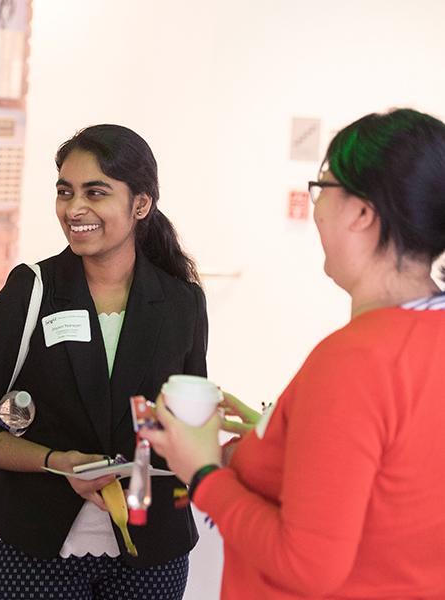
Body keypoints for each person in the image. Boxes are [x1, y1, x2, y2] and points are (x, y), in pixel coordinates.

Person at [141, 108, 445, 599]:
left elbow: (307, 565)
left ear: (362, 212)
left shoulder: (358, 359)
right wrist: (270, 434)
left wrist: (201, 473)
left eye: (323, 187)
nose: (317, 206)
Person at [0, 124, 208, 599]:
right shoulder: (31, 289)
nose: (74, 209)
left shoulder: (181, 303)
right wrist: (55, 462)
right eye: (65, 192)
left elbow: (189, 424)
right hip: (36, 548)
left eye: (96, 192)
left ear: (141, 204)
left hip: (152, 551)